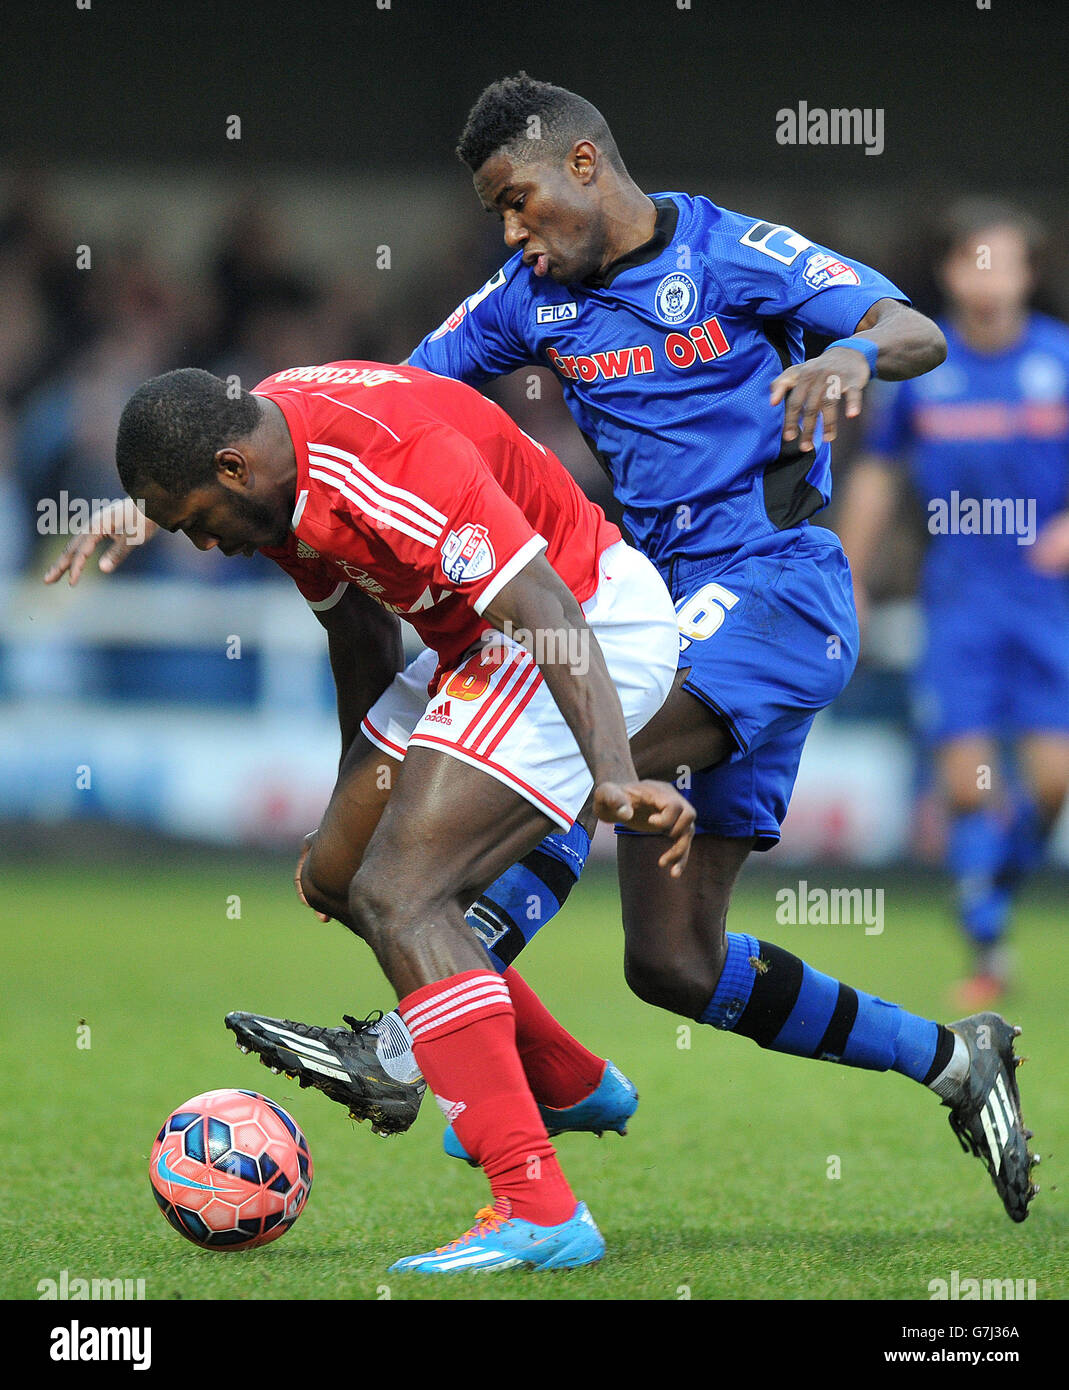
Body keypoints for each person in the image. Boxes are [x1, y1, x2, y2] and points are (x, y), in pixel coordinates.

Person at [47, 80, 1038, 1229]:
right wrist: (170, 487)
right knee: (672, 963)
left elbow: (906, 325)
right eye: (495, 214)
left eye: (516, 202)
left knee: (548, 755)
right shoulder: (530, 301)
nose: (509, 231)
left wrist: (854, 360)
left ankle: (410, 1044)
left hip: (771, 593)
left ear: (582, 165)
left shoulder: (730, 254)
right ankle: (954, 1058)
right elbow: (377, 400)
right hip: (659, 606)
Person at [98, 360, 696, 1272]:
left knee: (401, 894)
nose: (201, 546)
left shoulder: (385, 465)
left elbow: (546, 607)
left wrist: (612, 777)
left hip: (585, 628)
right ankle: (567, 1083)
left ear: (230, 469)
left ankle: (539, 1207)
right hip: (479, 646)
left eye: (193, 524)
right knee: (337, 876)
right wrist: (362, 792)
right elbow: (360, 634)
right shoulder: (267, 476)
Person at [838, 200, 1069, 1008]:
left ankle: (994, 892)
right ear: (947, 273)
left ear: (1027, 276)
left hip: (1047, 602)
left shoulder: (1060, 363)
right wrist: (852, 577)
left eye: (1002, 261)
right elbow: (875, 477)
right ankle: (983, 940)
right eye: (974, 260)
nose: (988, 278)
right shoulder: (920, 373)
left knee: (1049, 785)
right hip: (959, 599)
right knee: (968, 785)